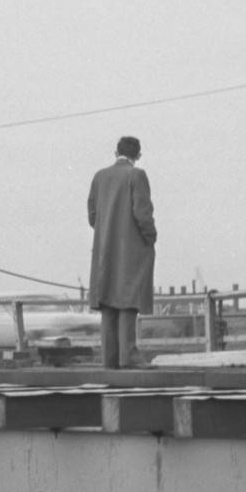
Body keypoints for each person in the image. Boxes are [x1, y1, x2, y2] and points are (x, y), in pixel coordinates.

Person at [88, 136, 156, 369]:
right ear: (138, 155)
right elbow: (142, 214)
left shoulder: (100, 177)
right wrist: (151, 238)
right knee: (128, 299)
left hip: (105, 249)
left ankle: (110, 360)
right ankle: (129, 357)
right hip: (131, 248)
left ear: (116, 153)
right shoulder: (137, 176)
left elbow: (92, 216)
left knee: (108, 300)